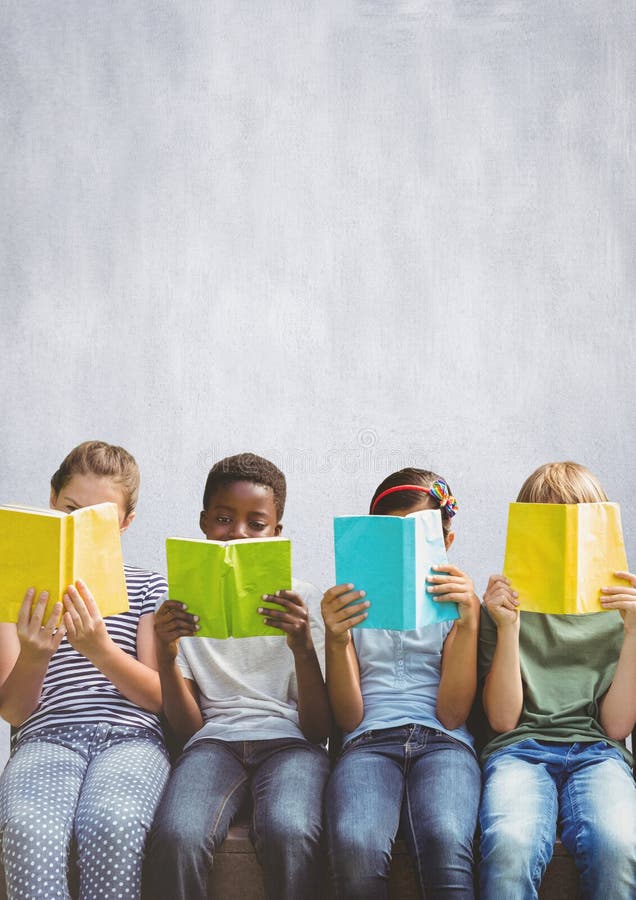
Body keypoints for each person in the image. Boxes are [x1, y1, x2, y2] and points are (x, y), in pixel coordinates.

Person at [143, 453, 330, 900]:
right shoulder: (177, 605)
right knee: (178, 836)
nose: (238, 533)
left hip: (290, 745)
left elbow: (318, 730)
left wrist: (302, 648)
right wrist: (167, 656)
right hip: (213, 743)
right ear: (204, 523)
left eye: (256, 524)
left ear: (276, 533)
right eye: (224, 519)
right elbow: (188, 728)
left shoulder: (302, 601)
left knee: (292, 830)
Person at [0, 441, 170, 900]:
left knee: (112, 824)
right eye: (71, 509)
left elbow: (159, 697)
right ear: (52, 499)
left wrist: (100, 650)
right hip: (45, 736)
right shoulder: (14, 589)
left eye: (97, 521)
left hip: (130, 739)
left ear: (125, 524)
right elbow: (13, 712)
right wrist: (35, 655)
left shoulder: (148, 585)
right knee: (29, 828)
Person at [478, 461, 636, 900]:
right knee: (511, 845)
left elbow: (617, 728)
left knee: (619, 846)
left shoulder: (621, 610)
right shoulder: (502, 606)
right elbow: (504, 719)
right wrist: (508, 627)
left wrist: (634, 633)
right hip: (518, 751)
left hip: (598, 753)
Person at [322, 467, 481, 899]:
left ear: (445, 542)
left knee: (446, 838)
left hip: (445, 740)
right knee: (356, 844)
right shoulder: (352, 606)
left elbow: (452, 713)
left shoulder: (458, 607)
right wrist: (336, 639)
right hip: (368, 741)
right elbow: (349, 715)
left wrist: (468, 625)